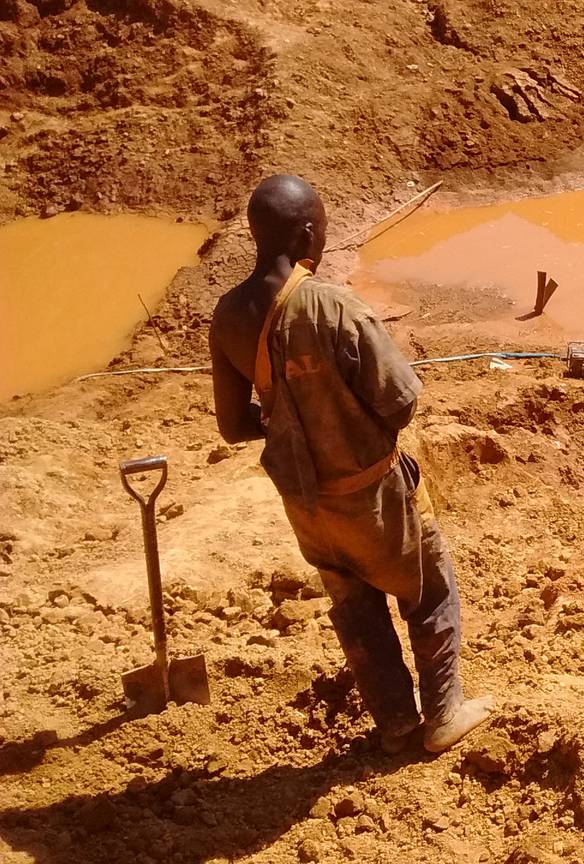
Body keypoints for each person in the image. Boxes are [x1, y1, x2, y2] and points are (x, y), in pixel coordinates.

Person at [209, 175, 492, 754]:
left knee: (355, 605)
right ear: (309, 232)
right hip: (369, 492)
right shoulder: (333, 305)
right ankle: (442, 716)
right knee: (430, 591)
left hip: (307, 506)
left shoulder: (228, 315)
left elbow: (235, 425)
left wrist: (296, 420)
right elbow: (401, 399)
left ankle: (394, 724)